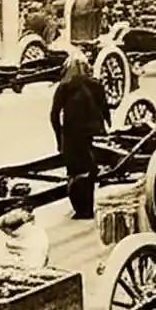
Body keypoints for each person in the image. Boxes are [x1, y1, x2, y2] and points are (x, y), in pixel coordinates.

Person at [50, 54, 110, 219]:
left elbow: (54, 115)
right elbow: (105, 108)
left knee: (76, 172)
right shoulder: (95, 84)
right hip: (94, 134)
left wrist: (59, 140)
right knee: (89, 170)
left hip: (73, 136)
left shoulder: (64, 87)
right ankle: (87, 207)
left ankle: (82, 209)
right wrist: (106, 129)